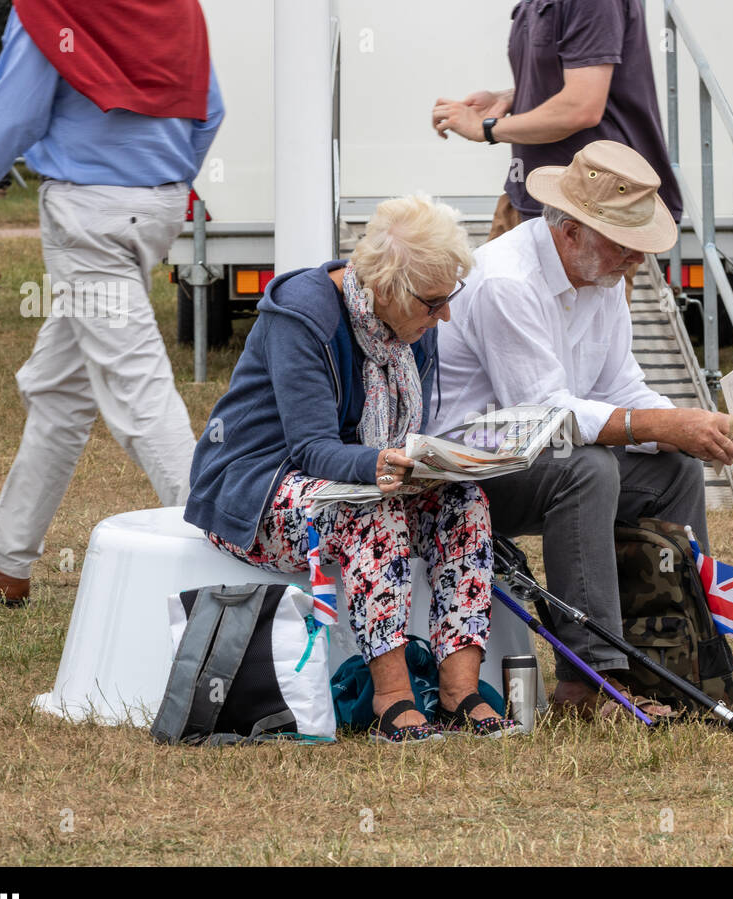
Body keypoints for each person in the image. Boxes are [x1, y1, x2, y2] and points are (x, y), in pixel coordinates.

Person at [429, 140, 733, 719]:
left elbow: (624, 390)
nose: (637, 258)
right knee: (586, 469)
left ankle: (686, 655)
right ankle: (591, 679)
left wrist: (696, 428)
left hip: (525, 454)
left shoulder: (600, 273)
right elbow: (545, 418)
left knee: (676, 468)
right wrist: (666, 422)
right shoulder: (508, 280)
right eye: (625, 242)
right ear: (572, 229)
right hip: (463, 468)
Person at [0, 0, 224, 606]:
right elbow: (209, 110)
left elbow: (10, 116)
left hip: (90, 217)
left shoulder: (54, 10)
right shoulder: (177, 10)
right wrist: (158, 178)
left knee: (139, 393)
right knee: (58, 388)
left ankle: (231, 556)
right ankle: (3, 558)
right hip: (155, 204)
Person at [184, 195, 519, 744]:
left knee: (466, 504)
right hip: (255, 486)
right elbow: (311, 448)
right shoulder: (304, 313)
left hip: (354, 479)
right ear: (387, 287)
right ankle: (392, 698)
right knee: (374, 513)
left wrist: (436, 463)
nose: (446, 316)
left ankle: (461, 690)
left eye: (448, 299)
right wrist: (384, 463)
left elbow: (404, 435)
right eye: (434, 303)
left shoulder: (414, 321)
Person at [431, 0, 681, 300]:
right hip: (530, 199)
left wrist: (486, 129)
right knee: (480, 313)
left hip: (591, 219)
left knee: (580, 344)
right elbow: (578, 76)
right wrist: (511, 96)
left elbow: (582, 106)